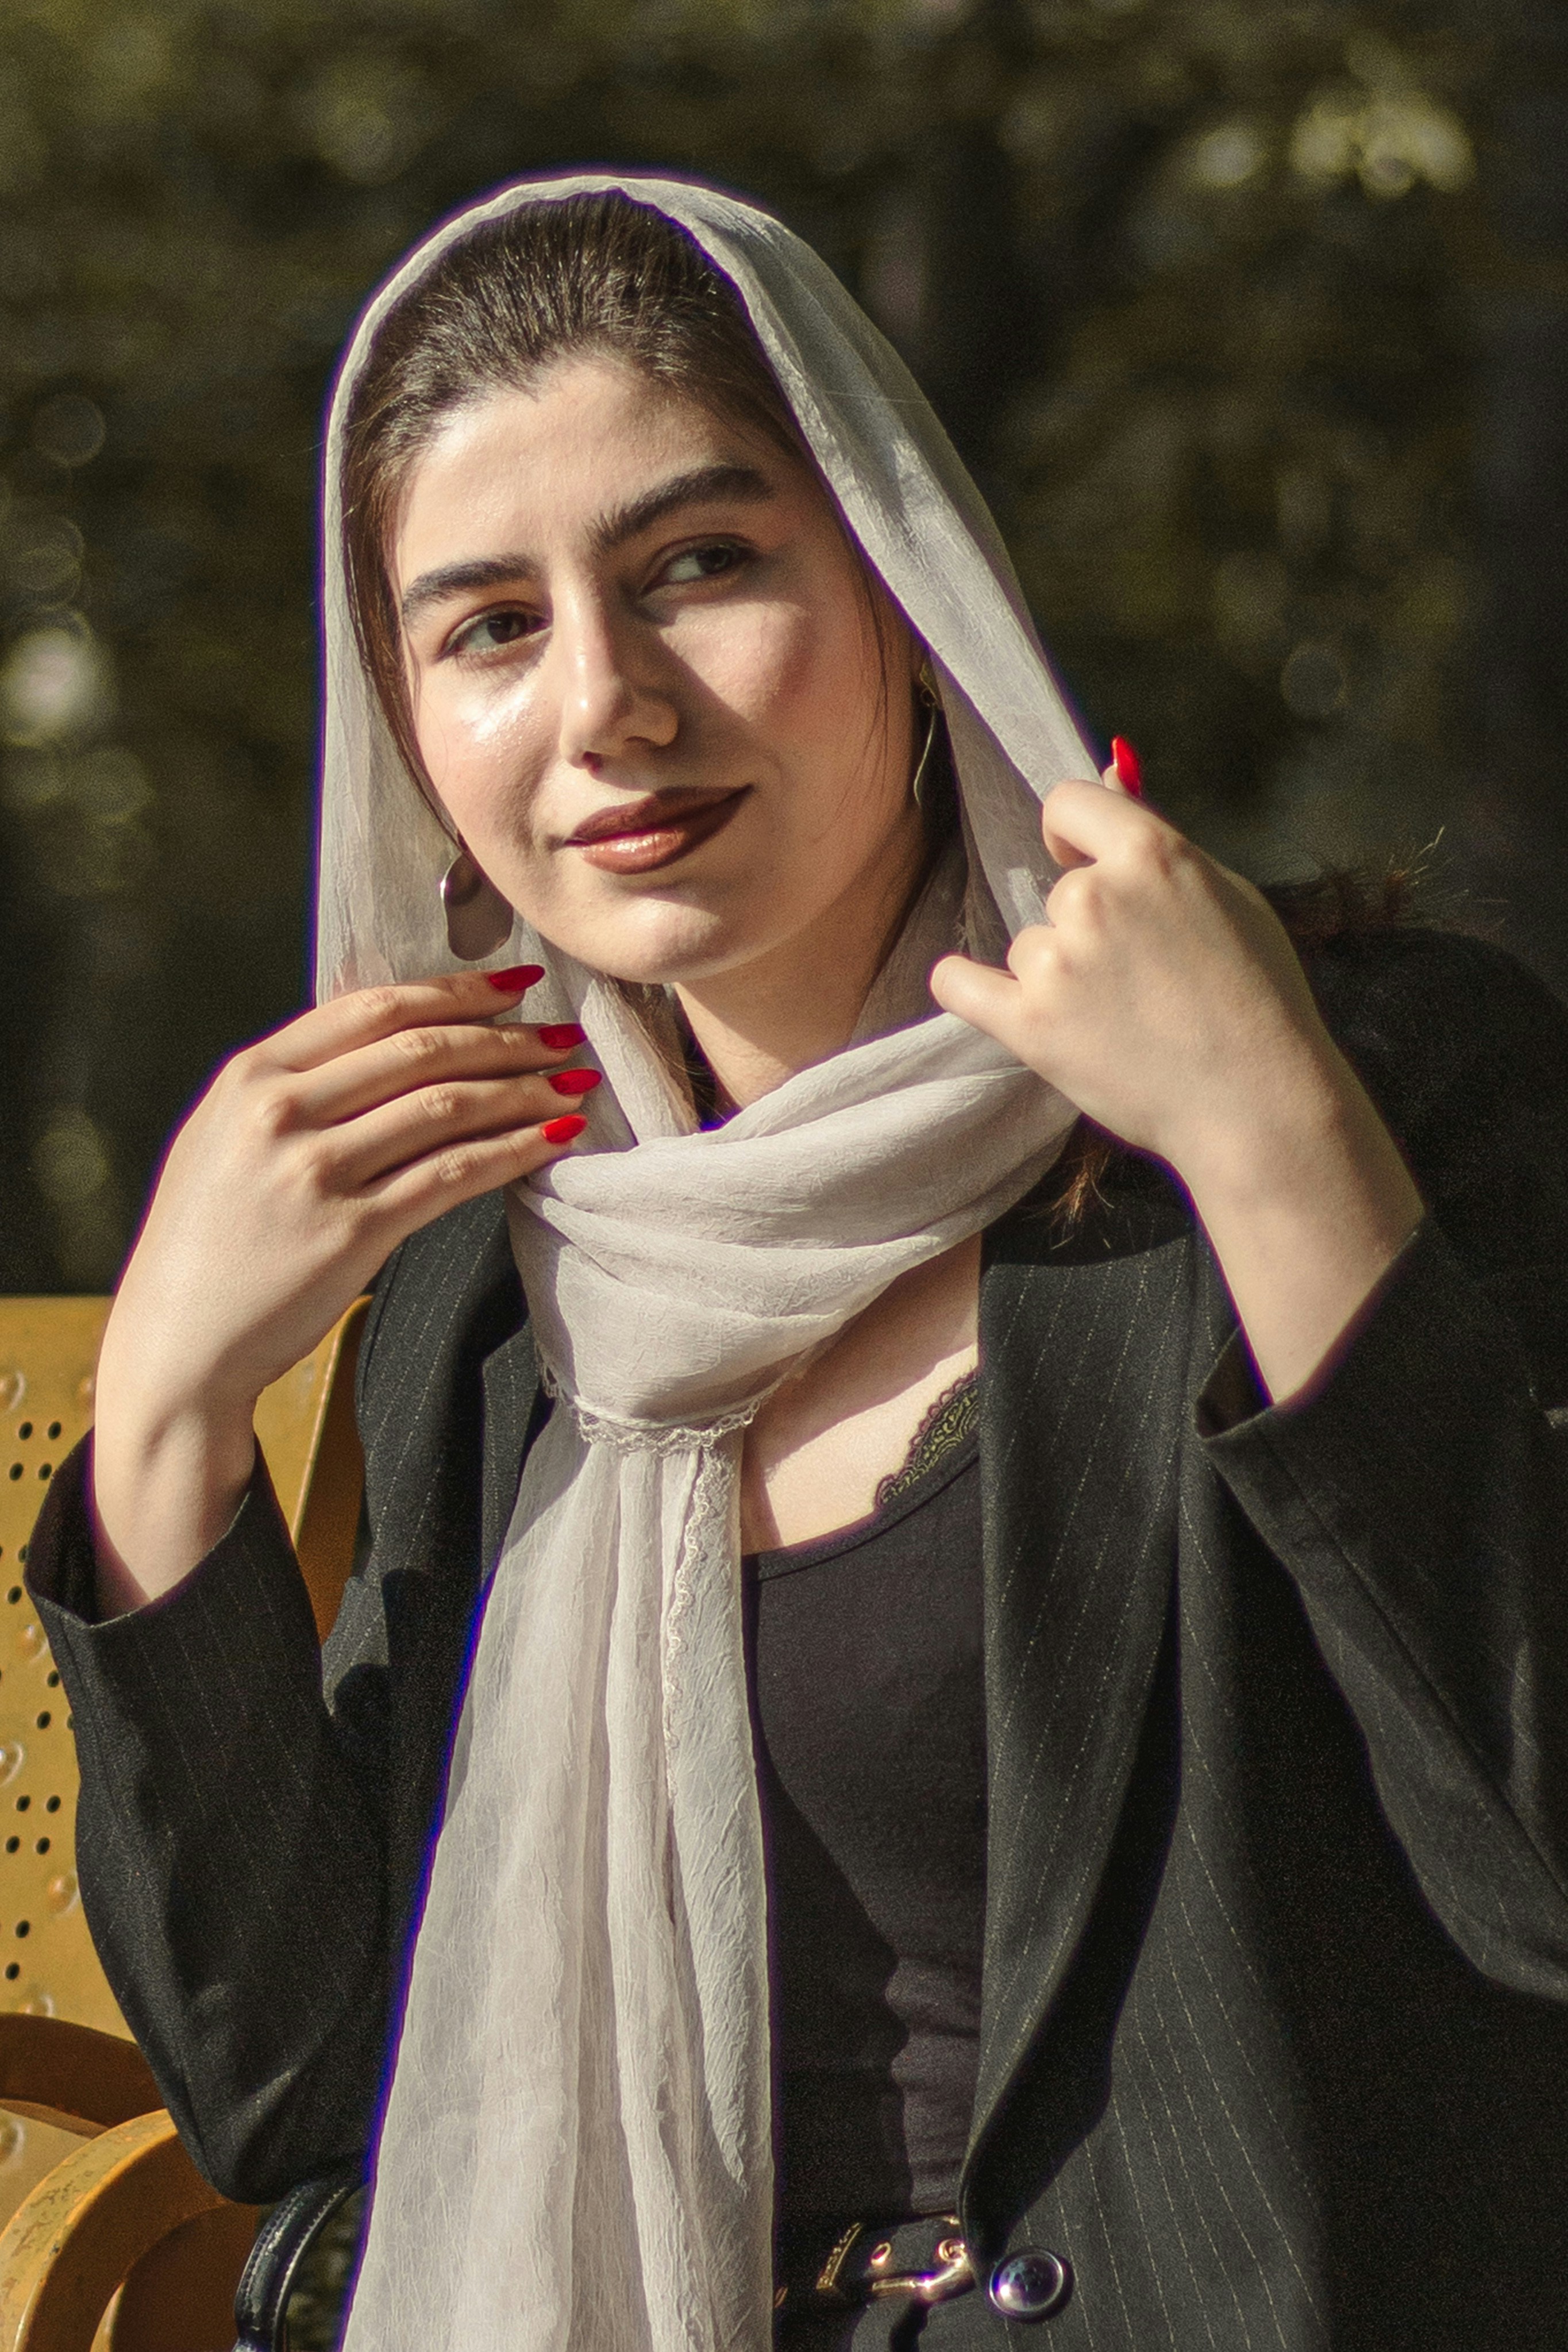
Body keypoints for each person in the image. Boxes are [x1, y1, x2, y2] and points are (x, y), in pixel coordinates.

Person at [24, 174, 1568, 2352]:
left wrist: (1267, 1135)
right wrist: (171, 1417)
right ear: (409, 738)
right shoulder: (494, 1295)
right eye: (488, 627)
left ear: (905, 594)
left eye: (701, 568)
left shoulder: (1362, 1083)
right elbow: (287, 2092)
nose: (606, 705)